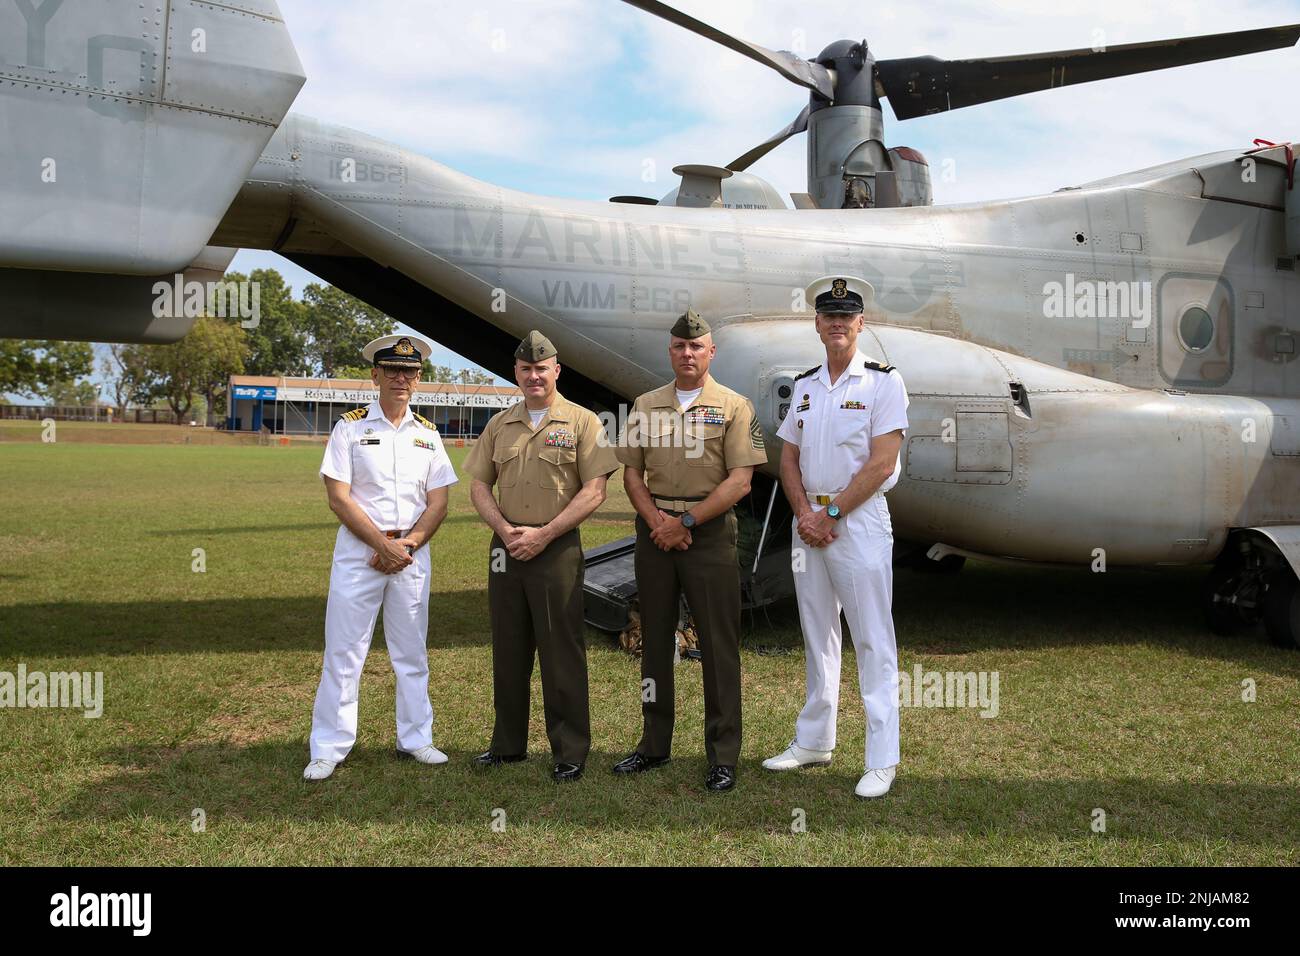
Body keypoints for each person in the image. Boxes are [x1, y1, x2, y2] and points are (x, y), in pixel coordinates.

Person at [763, 275, 910, 799]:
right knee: (817, 632)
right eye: (829, 316)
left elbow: (883, 462)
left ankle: (881, 757)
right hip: (811, 525)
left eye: (847, 316)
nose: (838, 324)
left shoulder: (883, 383)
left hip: (859, 521)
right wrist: (805, 513)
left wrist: (830, 513)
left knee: (873, 638)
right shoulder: (805, 386)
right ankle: (814, 741)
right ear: (818, 324)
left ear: (860, 323)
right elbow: (789, 458)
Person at [613, 310, 768, 792]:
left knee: (718, 646)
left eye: (696, 346)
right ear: (670, 351)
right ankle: (653, 745)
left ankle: (722, 755)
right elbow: (632, 474)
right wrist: (659, 522)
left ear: (710, 353)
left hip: (708, 535)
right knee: (654, 641)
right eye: (680, 346)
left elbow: (741, 481)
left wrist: (685, 523)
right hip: (655, 532)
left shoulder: (735, 406)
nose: (687, 354)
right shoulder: (644, 404)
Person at [463, 331, 619, 782]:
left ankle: (570, 750)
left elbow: (596, 491)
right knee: (508, 650)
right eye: (526, 369)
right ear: (516, 373)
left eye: (542, 368)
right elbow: (478, 485)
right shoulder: (500, 424)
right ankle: (507, 745)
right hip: (506, 549)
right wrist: (505, 531)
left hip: (557, 549)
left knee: (561, 651)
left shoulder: (583, 421)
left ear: (556, 370)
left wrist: (545, 534)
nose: (534, 376)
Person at [303, 333, 458, 781]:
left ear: (419, 378)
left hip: (411, 555)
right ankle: (328, 747)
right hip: (360, 555)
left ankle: (416, 739)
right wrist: (381, 544)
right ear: (375, 375)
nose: (401, 378)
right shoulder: (349, 427)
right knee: (345, 652)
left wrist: (405, 545)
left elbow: (439, 502)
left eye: (409, 371)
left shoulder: (428, 435)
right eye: (392, 370)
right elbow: (339, 498)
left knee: (411, 653)